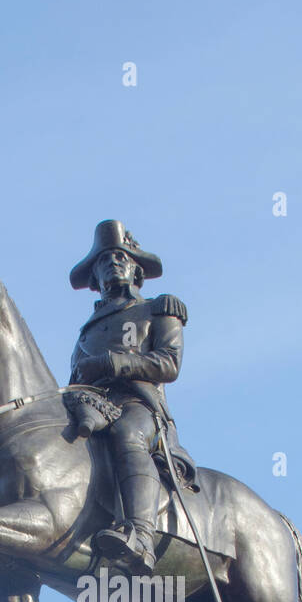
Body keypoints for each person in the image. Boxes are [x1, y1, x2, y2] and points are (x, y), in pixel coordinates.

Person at [69, 220, 193, 573]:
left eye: (121, 258)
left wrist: (112, 362)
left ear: (136, 268)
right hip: (93, 407)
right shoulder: (87, 331)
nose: (113, 263)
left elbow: (168, 364)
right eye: (104, 260)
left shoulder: (159, 308)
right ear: (94, 276)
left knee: (128, 433)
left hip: (139, 408)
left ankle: (140, 536)